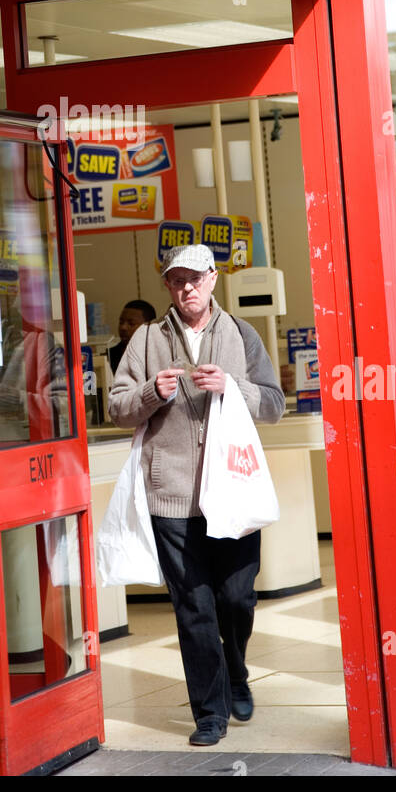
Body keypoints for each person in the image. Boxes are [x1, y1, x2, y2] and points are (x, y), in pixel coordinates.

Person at [107, 243, 285, 747]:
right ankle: (210, 711)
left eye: (194, 278)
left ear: (212, 279)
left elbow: (273, 404)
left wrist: (233, 386)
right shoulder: (144, 340)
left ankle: (236, 668)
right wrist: (150, 394)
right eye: (175, 280)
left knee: (237, 598)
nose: (186, 288)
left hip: (232, 493)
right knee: (194, 608)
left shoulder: (242, 335)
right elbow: (117, 408)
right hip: (172, 496)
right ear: (167, 285)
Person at [108, 299, 157, 373]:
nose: (123, 327)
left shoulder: (158, 355)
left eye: (131, 323)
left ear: (149, 326)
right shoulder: (109, 356)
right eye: (121, 322)